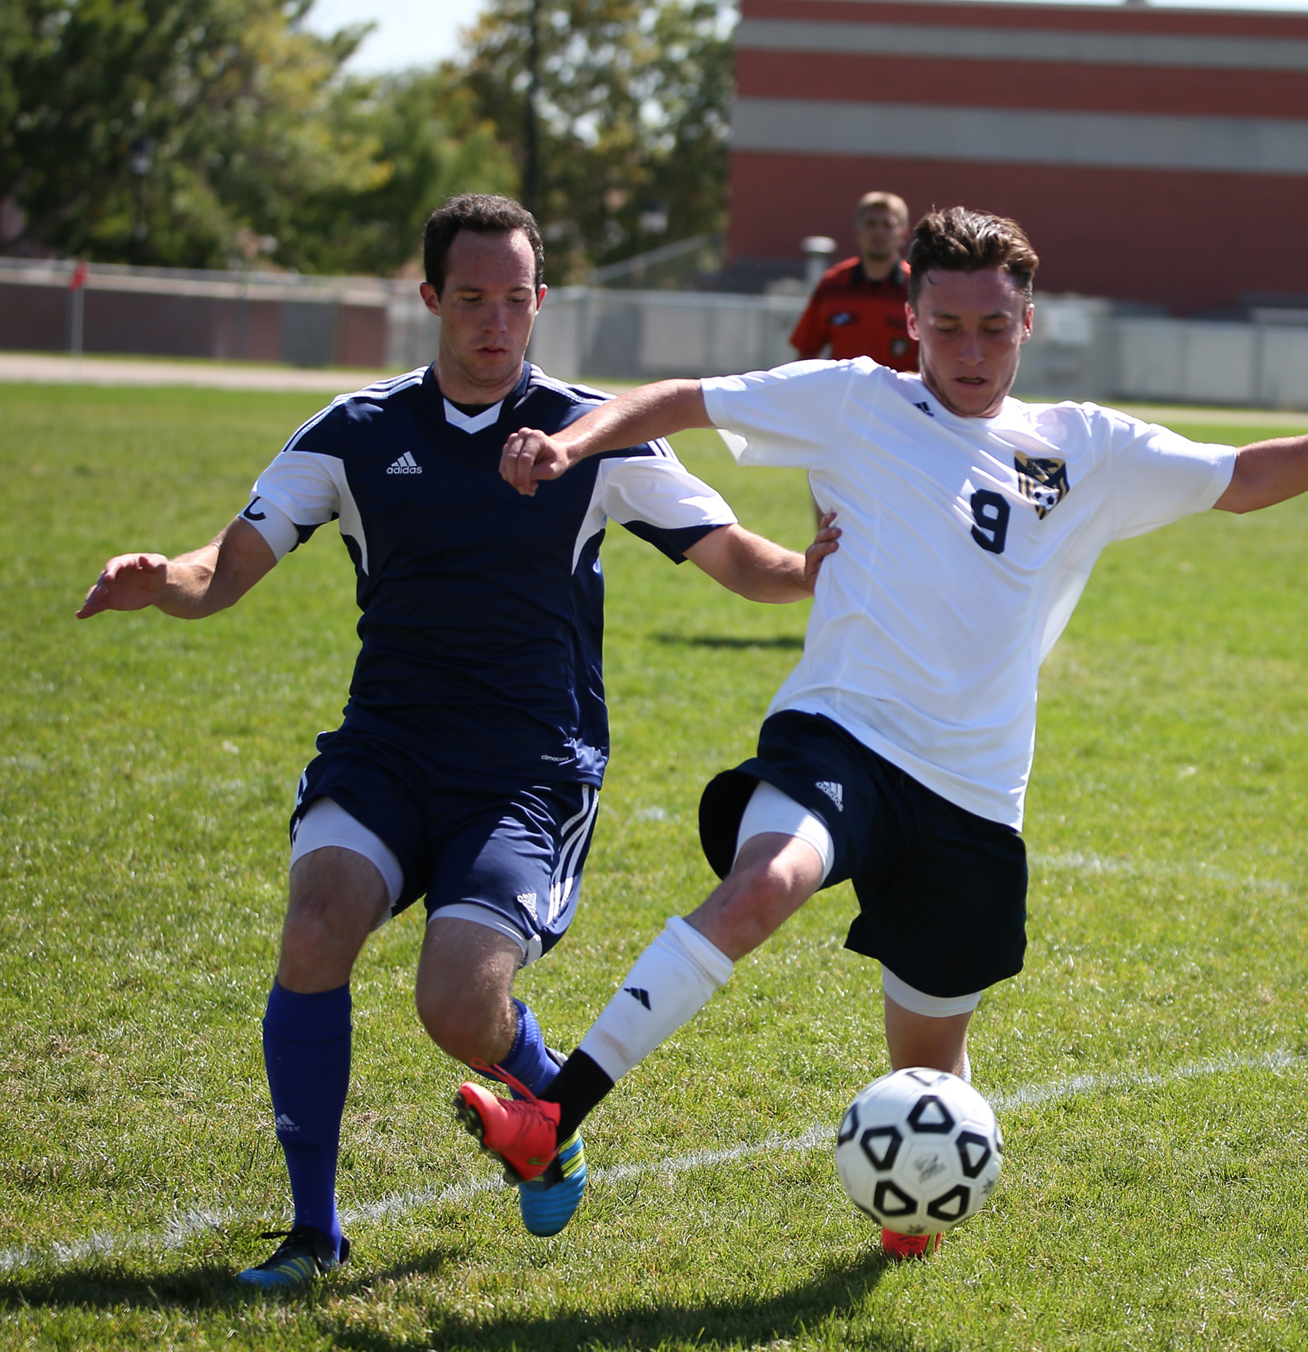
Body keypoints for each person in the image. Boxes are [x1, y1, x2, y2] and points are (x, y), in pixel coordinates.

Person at [455, 205, 1308, 1259]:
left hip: (971, 792)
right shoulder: (855, 401)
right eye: (948, 324)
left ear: (1029, 320)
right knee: (766, 881)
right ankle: (553, 1113)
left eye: (994, 328)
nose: (971, 350)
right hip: (841, 737)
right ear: (911, 317)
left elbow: (1243, 479)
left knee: (926, 1067)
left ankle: (910, 1210)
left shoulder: (1082, 446)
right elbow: (680, 397)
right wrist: (570, 438)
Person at [75, 193, 839, 1286]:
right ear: (429, 297)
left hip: (528, 772)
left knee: (455, 1002)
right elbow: (224, 568)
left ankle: (551, 1100)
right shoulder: (354, 432)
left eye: (515, 299)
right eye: (470, 298)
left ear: (540, 301)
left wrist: (809, 569)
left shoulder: (597, 434)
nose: (495, 320)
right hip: (386, 748)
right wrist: (167, 580)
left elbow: (734, 558)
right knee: (316, 924)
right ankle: (312, 1232)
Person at [789, 192, 916, 372]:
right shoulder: (832, 284)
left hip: (899, 398)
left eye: (887, 225)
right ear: (857, 232)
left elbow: (934, 359)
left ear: (903, 234)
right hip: (841, 397)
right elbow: (806, 353)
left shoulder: (917, 287)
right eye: (871, 224)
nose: (878, 232)